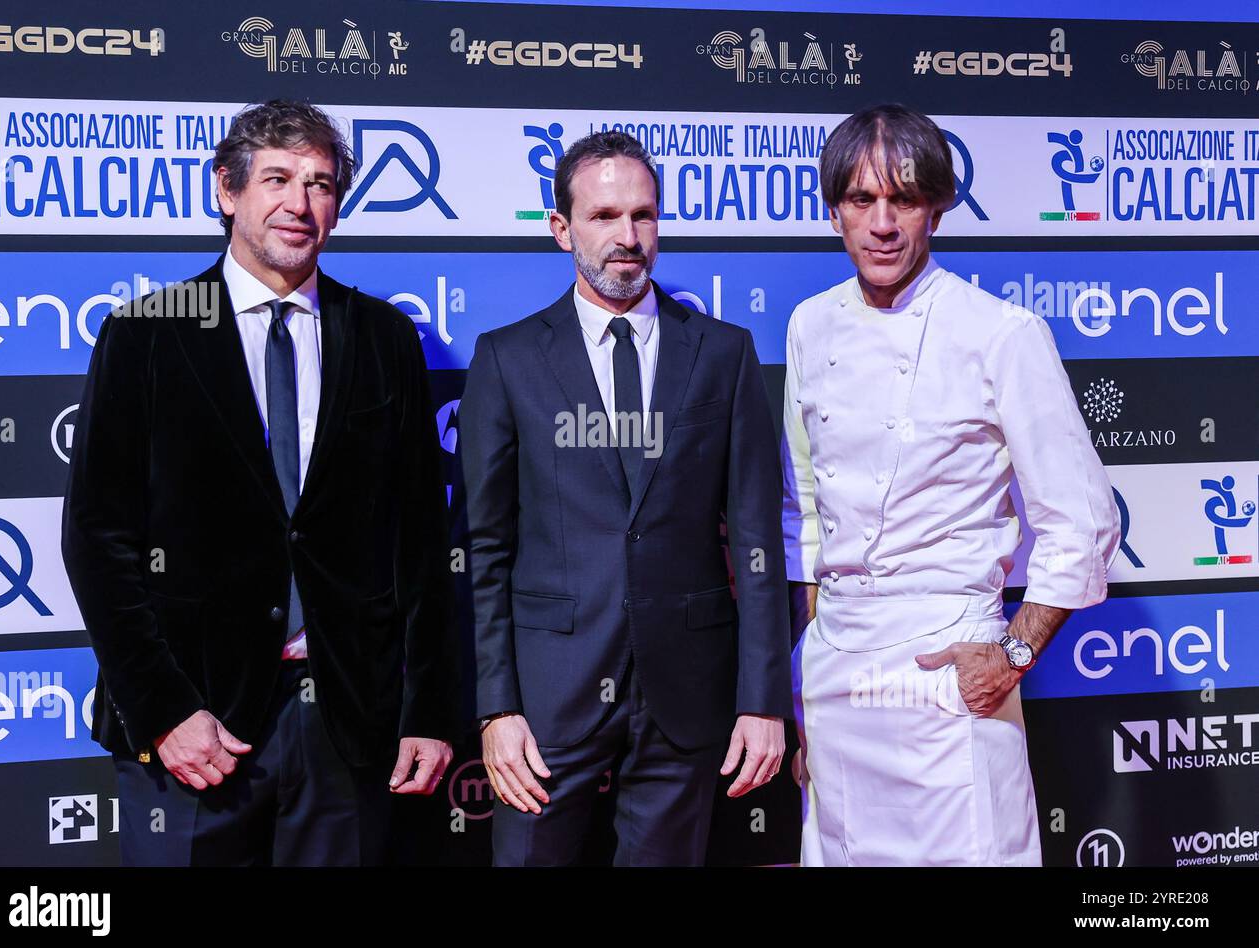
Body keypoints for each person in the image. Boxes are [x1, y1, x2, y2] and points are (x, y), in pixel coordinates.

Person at [61, 99, 456, 866]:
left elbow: (421, 540)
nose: (299, 203)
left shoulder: (384, 338)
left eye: (319, 184)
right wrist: (165, 710)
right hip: (194, 728)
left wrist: (430, 710)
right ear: (227, 189)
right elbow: (96, 540)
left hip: (346, 722)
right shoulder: (145, 335)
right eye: (277, 179)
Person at [782, 104, 1120, 866]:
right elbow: (803, 509)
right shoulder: (808, 326)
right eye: (862, 199)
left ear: (935, 208)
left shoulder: (1001, 333)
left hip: (948, 674)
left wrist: (1012, 655)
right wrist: (807, 670)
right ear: (834, 210)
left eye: (903, 199)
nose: (882, 224)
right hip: (836, 678)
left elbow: (1083, 522)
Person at [459, 131, 792, 866]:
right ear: (562, 229)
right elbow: (484, 548)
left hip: (686, 693)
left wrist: (763, 699)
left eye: (643, 215)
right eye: (605, 216)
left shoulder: (723, 352)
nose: (629, 237)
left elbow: (757, 540)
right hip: (547, 700)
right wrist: (496, 706)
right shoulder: (507, 358)